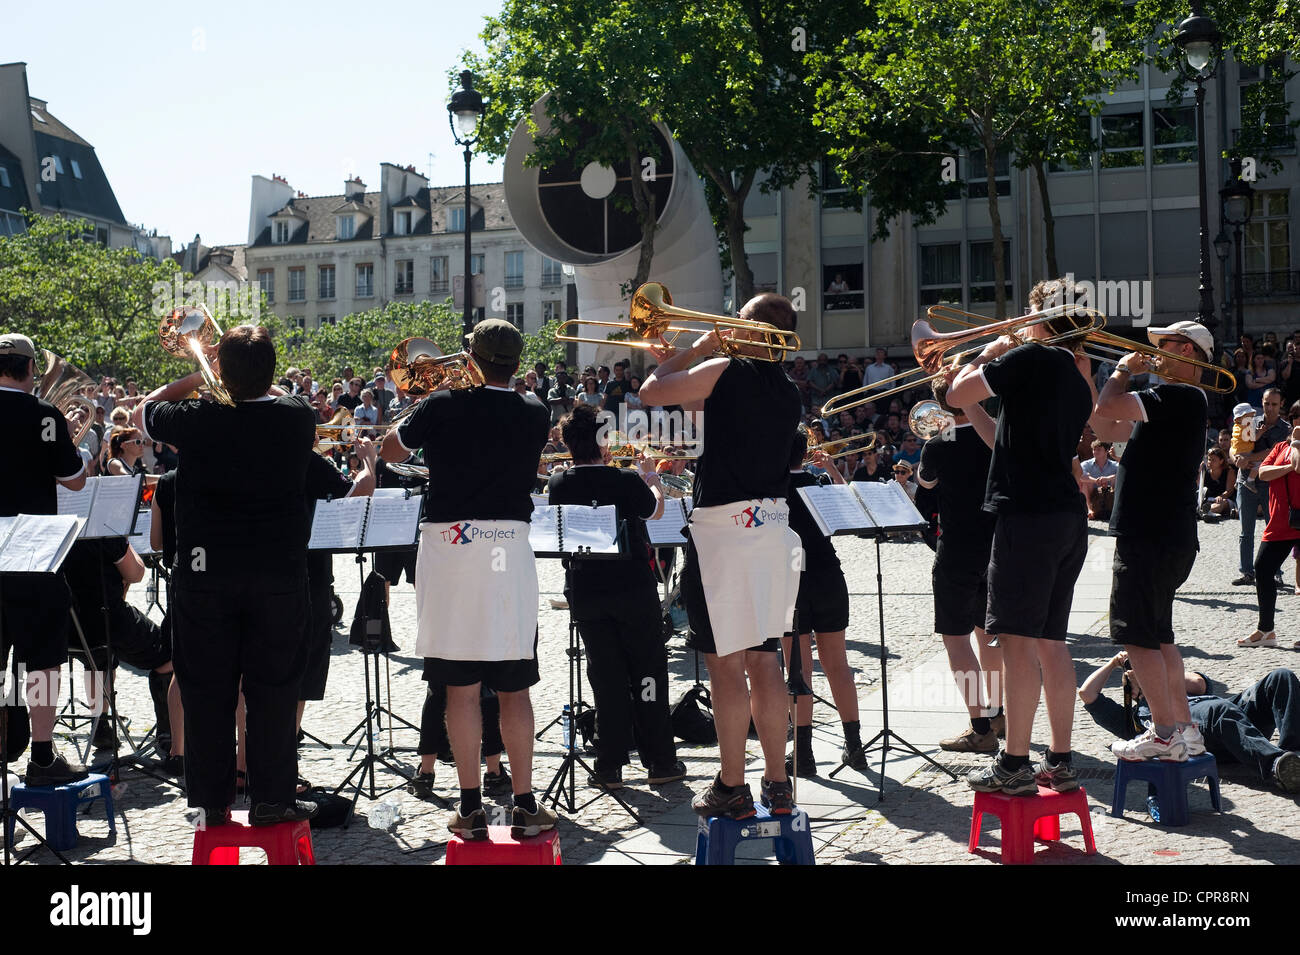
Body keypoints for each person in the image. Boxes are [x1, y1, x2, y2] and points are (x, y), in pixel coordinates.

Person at [132, 324, 317, 827]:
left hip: (205, 572)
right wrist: (240, 373)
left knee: (207, 690)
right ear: (272, 371)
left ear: (222, 372)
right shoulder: (299, 417)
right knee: (274, 690)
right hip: (277, 573)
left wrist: (202, 369)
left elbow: (143, 411)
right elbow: (276, 393)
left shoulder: (198, 415)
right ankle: (272, 798)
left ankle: (211, 804)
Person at [380, 319, 553, 840]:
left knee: (459, 686)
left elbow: (392, 451)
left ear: (470, 357)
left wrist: (430, 395)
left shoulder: (442, 404)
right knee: (514, 687)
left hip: (451, 544)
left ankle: (471, 806)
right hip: (508, 546)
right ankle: (523, 804)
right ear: (517, 364)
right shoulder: (536, 411)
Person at [640, 293, 803, 819]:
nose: (728, 326)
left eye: (737, 323)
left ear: (751, 330)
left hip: (725, 529)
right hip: (774, 527)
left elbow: (650, 392)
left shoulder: (723, 367)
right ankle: (778, 783)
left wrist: (691, 350)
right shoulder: (788, 391)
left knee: (726, 666)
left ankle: (733, 784)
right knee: (766, 660)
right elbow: (697, 413)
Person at [946, 277, 1096, 795]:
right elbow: (1002, 442)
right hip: (1065, 517)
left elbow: (953, 391)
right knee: (1053, 644)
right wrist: (973, 410)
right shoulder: (1078, 375)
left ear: (1042, 316)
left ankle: (1013, 763)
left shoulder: (1031, 358)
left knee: (1014, 644)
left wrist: (986, 353)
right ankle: (1059, 757)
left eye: (1028, 313)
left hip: (1027, 518)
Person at [1091, 320, 1214, 761]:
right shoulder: (1175, 405)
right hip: (1167, 534)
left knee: (1136, 636)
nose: (1157, 352)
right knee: (1160, 637)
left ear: (1187, 351)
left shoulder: (1177, 395)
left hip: (1149, 533)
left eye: (1165, 346)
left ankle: (1163, 734)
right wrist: (1086, 372)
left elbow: (1110, 403)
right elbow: (1102, 422)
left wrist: (1122, 370)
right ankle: (1185, 729)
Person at [546, 403, 685, 789]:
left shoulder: (559, 483)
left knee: (604, 675)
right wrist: (651, 477)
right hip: (631, 587)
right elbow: (654, 512)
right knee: (647, 671)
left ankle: (610, 765)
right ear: (604, 442)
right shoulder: (625, 480)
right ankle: (659, 760)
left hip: (587, 589)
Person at [0, 333, 90, 785]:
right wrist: (70, 441)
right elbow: (74, 480)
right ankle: (40, 756)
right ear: (31, 369)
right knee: (43, 660)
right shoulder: (44, 416)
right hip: (32, 553)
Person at [916, 379, 1003, 753]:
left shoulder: (938, 444)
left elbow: (925, 482)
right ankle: (999, 712)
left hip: (956, 549)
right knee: (990, 634)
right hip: (996, 545)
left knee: (956, 640)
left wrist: (937, 435)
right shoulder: (997, 434)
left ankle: (979, 726)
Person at [1079, 654, 1300, 793]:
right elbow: (1087, 693)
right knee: (1219, 710)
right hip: (1213, 735)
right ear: (1132, 694)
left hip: (1235, 716)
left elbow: (1198, 683)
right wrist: (1113, 663)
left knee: (1281, 677)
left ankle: (1294, 759)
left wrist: (1156, 675)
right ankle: (1275, 766)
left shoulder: (1177, 684)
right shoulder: (1134, 720)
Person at [782, 427, 867, 776]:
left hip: (791, 579)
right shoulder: (817, 486)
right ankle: (855, 745)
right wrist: (831, 469)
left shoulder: (770, 490)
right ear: (805, 454)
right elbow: (848, 512)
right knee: (838, 664)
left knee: (797, 670)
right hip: (829, 577)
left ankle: (803, 755)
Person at [1237, 421, 1300, 648]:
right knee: (1263, 569)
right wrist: (1287, 465)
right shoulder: (1280, 447)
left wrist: (1297, 444)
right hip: (1281, 523)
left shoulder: (1293, 447)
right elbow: (1263, 473)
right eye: (1296, 418)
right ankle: (1266, 630)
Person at [1233, 388, 1289, 586]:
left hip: (1271, 485)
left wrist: (1247, 458)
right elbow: (1237, 447)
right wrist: (1236, 459)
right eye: (1266, 403)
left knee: (1274, 530)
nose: (1270, 408)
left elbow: (1274, 453)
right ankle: (1247, 572)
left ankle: (1275, 572)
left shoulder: (1286, 429)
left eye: (1274, 404)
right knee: (1245, 532)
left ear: (1281, 404)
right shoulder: (1250, 421)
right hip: (1245, 482)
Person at [1079, 438, 1118, 521]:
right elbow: (1080, 475)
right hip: (1093, 494)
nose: (1095, 452)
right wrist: (1095, 480)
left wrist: (1108, 478)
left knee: (1116, 479)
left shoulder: (1114, 465)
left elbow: (1123, 473)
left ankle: (1115, 509)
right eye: (1094, 449)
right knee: (1086, 482)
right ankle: (1090, 510)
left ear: (1106, 451)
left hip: (1109, 494)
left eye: (1099, 450)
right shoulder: (1087, 464)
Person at [1201, 447, 1238, 518]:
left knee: (1220, 504)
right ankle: (1206, 512)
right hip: (1208, 500)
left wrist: (1221, 497)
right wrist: (1200, 471)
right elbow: (1198, 487)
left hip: (1225, 499)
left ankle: (1204, 512)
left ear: (1221, 461)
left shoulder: (1229, 471)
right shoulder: (1205, 472)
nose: (1210, 462)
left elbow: (1229, 491)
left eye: (1213, 460)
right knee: (1206, 505)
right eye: (1209, 459)